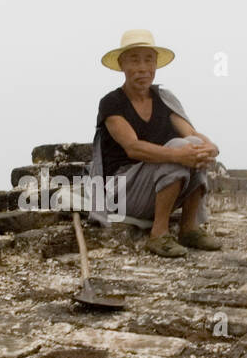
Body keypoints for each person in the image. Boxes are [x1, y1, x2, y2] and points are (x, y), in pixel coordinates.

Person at [94, 29, 223, 257]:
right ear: (122, 65)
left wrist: (210, 147)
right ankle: (159, 234)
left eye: (148, 60)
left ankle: (189, 228)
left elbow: (191, 132)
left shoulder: (163, 99)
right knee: (177, 149)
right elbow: (133, 147)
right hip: (124, 191)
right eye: (135, 60)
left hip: (157, 186)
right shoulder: (111, 103)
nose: (143, 68)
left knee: (192, 144)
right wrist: (177, 156)